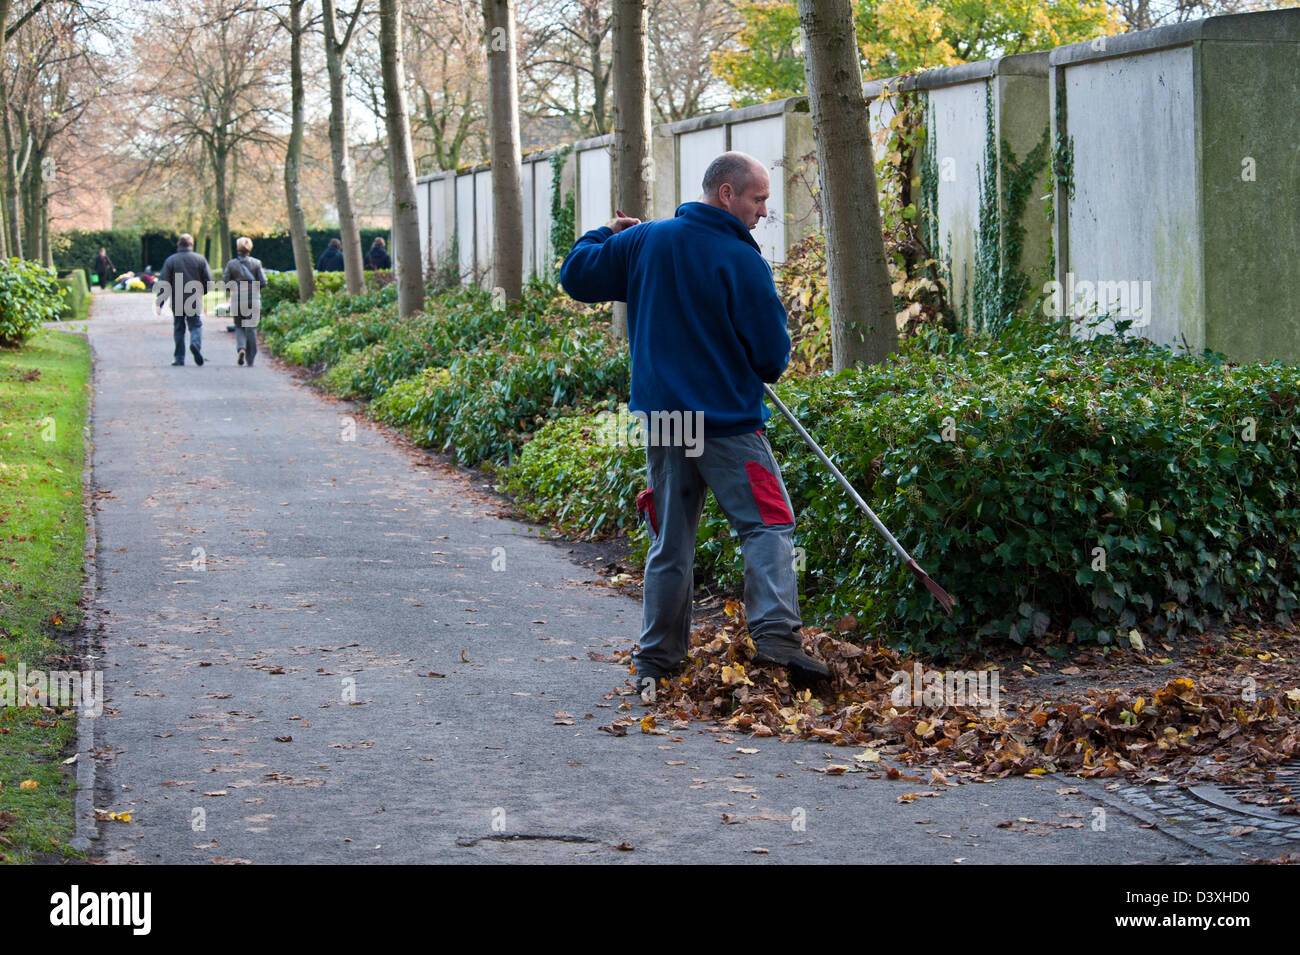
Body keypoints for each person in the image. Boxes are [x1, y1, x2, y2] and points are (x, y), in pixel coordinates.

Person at [559, 151, 830, 696]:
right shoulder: (741, 259)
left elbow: (577, 276)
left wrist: (605, 233)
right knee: (768, 525)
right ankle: (776, 633)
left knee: (670, 541)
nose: (762, 212)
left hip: (664, 425)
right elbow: (772, 357)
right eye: (757, 199)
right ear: (726, 194)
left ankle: (656, 661)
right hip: (727, 426)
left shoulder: (644, 242)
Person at [156, 233, 213, 366]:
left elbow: (164, 282)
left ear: (178, 244)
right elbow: (208, 280)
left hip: (178, 299)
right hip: (194, 298)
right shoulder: (200, 259)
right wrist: (202, 292)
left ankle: (179, 358)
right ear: (192, 245)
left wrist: (160, 302)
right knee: (196, 325)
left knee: (179, 328)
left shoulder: (171, 260)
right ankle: (195, 344)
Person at [222, 236, 268, 367]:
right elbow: (263, 281)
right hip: (253, 298)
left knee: (239, 325)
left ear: (237, 248)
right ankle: (250, 358)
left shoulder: (232, 264)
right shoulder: (256, 263)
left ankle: (241, 348)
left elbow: (225, 282)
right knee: (251, 327)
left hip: (237, 298)